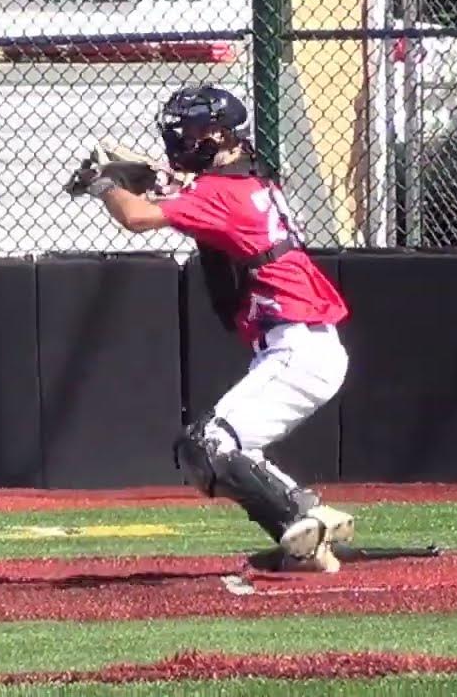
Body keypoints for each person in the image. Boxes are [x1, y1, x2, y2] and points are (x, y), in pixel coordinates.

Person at [73, 85, 354, 572]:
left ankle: (299, 520)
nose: (185, 136)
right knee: (220, 450)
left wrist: (101, 182)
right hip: (302, 345)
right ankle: (309, 529)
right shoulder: (245, 181)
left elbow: (136, 217)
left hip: (298, 346)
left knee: (207, 446)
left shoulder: (222, 192)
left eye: (197, 128)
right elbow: (186, 195)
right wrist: (153, 178)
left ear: (223, 133)